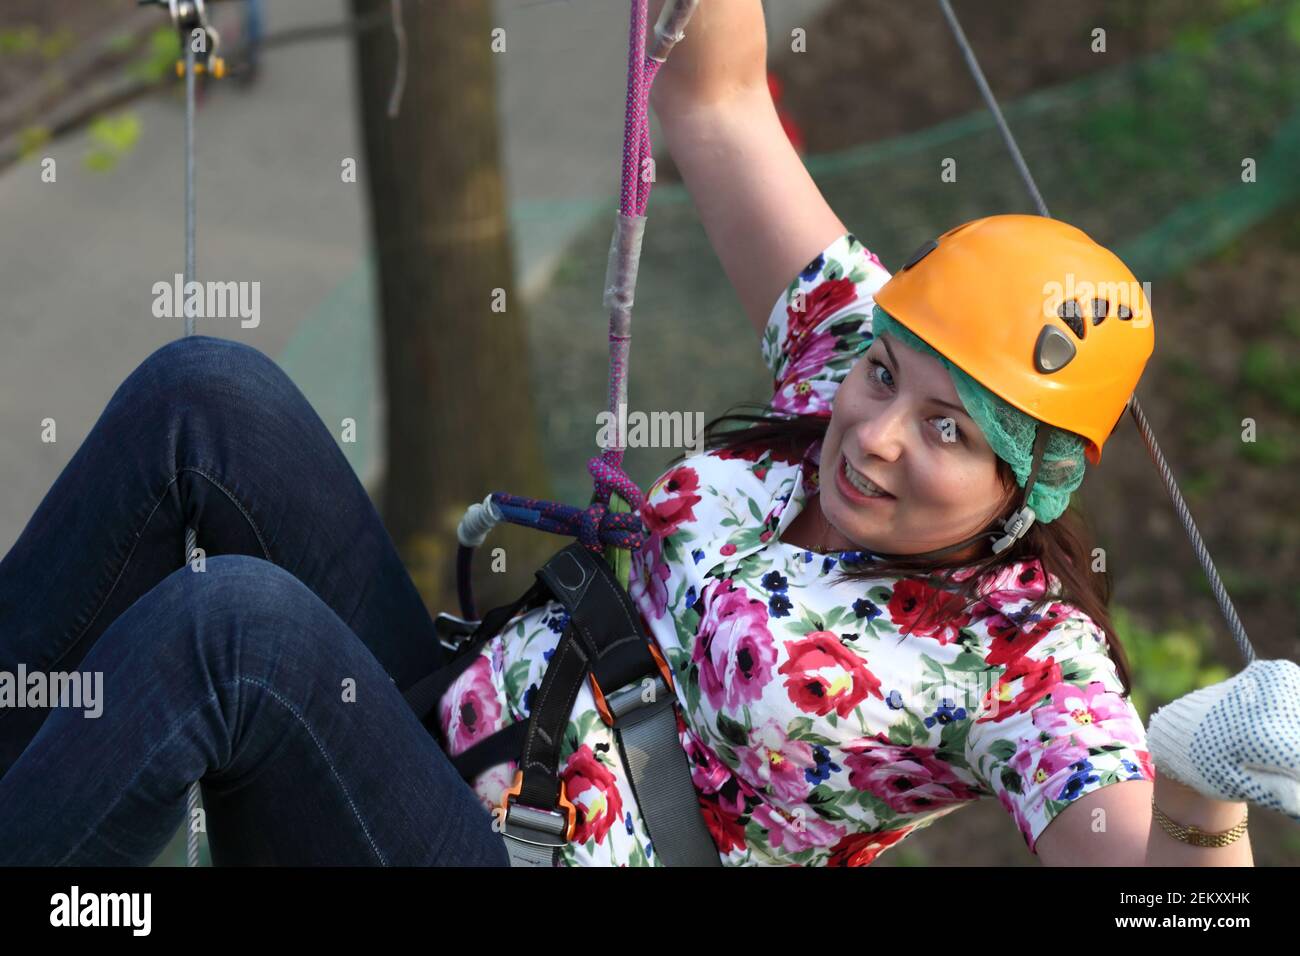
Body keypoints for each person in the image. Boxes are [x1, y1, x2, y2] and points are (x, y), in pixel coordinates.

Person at [1, 0, 1294, 868]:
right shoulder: (846, 361)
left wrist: (1201, 790)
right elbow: (715, 100)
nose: (880, 433)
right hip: (453, 732)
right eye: (888, 375)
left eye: (950, 431)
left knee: (233, 629)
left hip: (517, 851)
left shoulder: (1025, 663)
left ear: (1032, 486)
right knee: (207, 397)